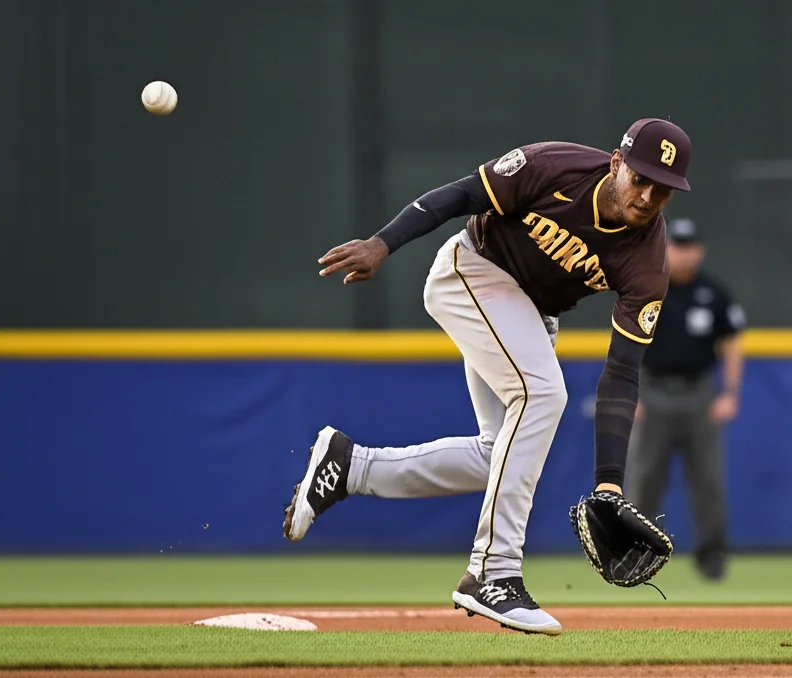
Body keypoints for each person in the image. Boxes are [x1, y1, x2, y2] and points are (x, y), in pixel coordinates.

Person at [282, 118, 693, 635]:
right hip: (472, 271)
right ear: (617, 163)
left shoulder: (648, 261)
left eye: (664, 190)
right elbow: (459, 195)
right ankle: (493, 572)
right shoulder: (556, 165)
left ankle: (350, 467)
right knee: (543, 395)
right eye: (641, 178)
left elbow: (622, 372)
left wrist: (608, 486)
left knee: (499, 453)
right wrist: (383, 244)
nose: (649, 194)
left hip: (530, 312)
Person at [624, 217, 746, 581]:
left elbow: (733, 342)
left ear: (700, 250)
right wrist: (631, 394)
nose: (684, 253)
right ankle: (636, 558)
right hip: (654, 389)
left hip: (699, 393)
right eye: (677, 245)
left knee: (708, 481)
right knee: (644, 481)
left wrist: (730, 393)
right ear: (665, 248)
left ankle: (712, 558)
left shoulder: (714, 293)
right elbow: (627, 345)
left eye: (689, 245)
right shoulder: (647, 289)